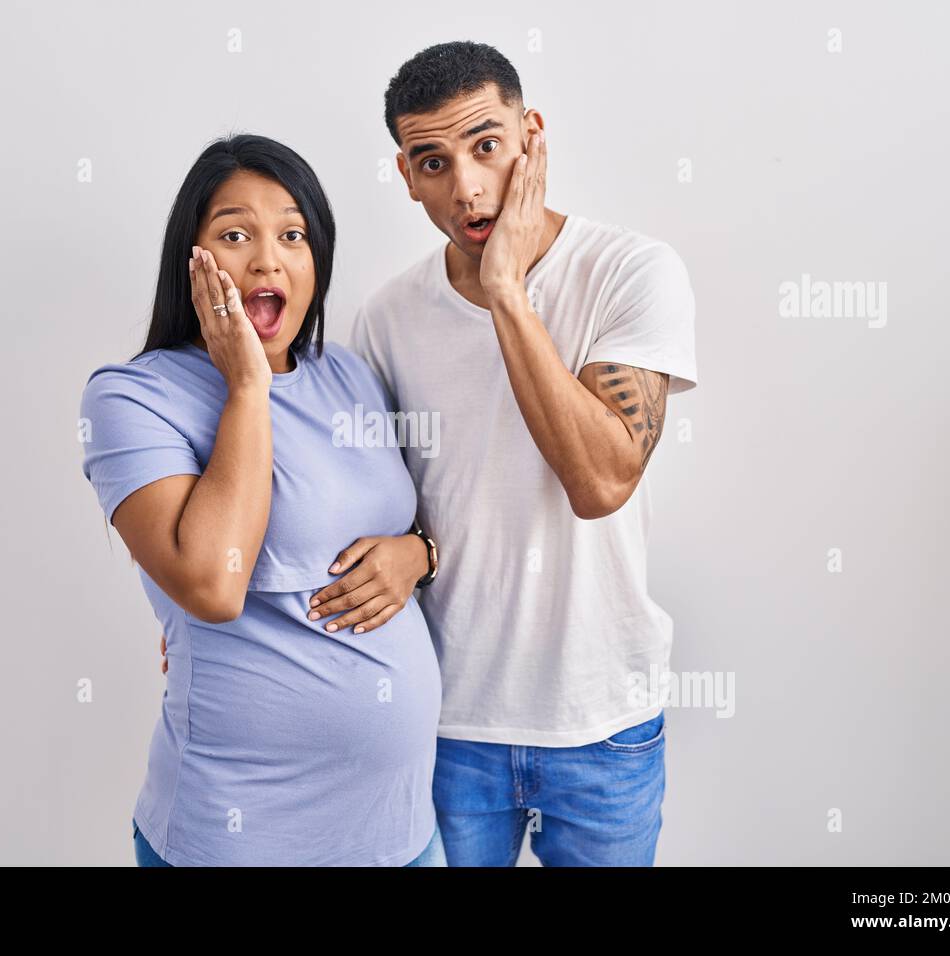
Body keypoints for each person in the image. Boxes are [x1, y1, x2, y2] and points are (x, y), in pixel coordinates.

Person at [343, 41, 699, 865]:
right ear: (406, 175)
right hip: (445, 723)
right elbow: (360, 509)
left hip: (601, 724)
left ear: (532, 134)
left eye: (486, 145)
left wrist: (506, 290)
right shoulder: (386, 319)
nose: (466, 187)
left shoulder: (631, 273)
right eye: (433, 162)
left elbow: (600, 481)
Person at [79, 134, 445, 866]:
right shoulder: (133, 397)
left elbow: (396, 523)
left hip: (402, 835)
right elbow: (213, 585)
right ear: (191, 258)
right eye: (235, 235)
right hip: (240, 838)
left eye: (292, 235)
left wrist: (420, 555)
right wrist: (247, 385)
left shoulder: (348, 374)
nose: (267, 260)